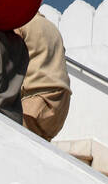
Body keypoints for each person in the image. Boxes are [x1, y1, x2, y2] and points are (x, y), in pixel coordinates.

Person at [14, 13, 72, 141]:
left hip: (37, 97)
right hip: (62, 102)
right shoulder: (52, 28)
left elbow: (10, 60)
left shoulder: (21, 23)